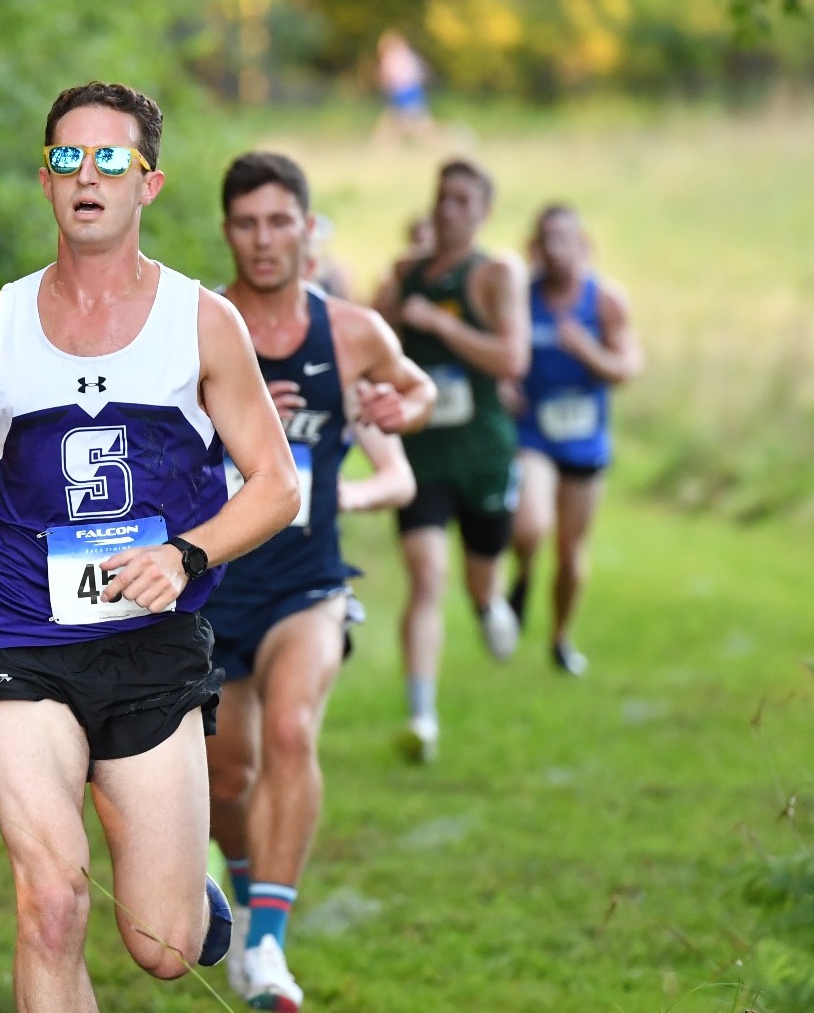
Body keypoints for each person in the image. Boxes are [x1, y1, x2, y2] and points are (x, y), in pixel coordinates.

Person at [0, 82, 300, 1011]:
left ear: (148, 185)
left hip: (150, 641)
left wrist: (185, 555)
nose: (87, 175)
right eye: (67, 158)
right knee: (50, 901)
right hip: (18, 633)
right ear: (45, 180)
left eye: (111, 159)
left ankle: (187, 890)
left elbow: (276, 485)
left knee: (163, 946)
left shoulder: (202, 321)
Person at [201, 152, 433, 1010]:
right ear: (227, 231)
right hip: (211, 584)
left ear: (307, 229)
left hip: (308, 580)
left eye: (279, 222)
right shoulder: (196, 323)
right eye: (247, 224)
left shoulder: (350, 333)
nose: (264, 240)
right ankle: (243, 891)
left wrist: (402, 408)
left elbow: (415, 387)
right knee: (228, 780)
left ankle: (267, 945)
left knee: (292, 732)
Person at [371, 158, 529, 764]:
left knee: (479, 575)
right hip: (423, 456)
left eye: (463, 200)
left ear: (485, 211)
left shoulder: (495, 274)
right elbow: (368, 339)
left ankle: (488, 605)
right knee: (427, 576)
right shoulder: (406, 275)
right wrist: (393, 308)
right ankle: (422, 715)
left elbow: (512, 358)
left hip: (483, 454)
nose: (449, 209)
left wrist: (440, 323)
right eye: (443, 197)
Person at [506, 204, 642, 676]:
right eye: (546, 239)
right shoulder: (520, 298)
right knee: (530, 526)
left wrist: (586, 349)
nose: (555, 249)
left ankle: (561, 638)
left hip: (584, 443)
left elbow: (626, 369)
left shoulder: (605, 300)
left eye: (564, 238)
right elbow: (500, 356)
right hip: (533, 436)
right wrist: (503, 387)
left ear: (583, 245)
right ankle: (522, 574)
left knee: (570, 552)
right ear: (535, 247)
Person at [373, 30, 435, 145]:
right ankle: (383, 149)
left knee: (421, 128)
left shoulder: (392, 57)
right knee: (391, 124)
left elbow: (387, 78)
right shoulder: (408, 54)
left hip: (404, 94)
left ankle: (452, 139)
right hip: (412, 92)